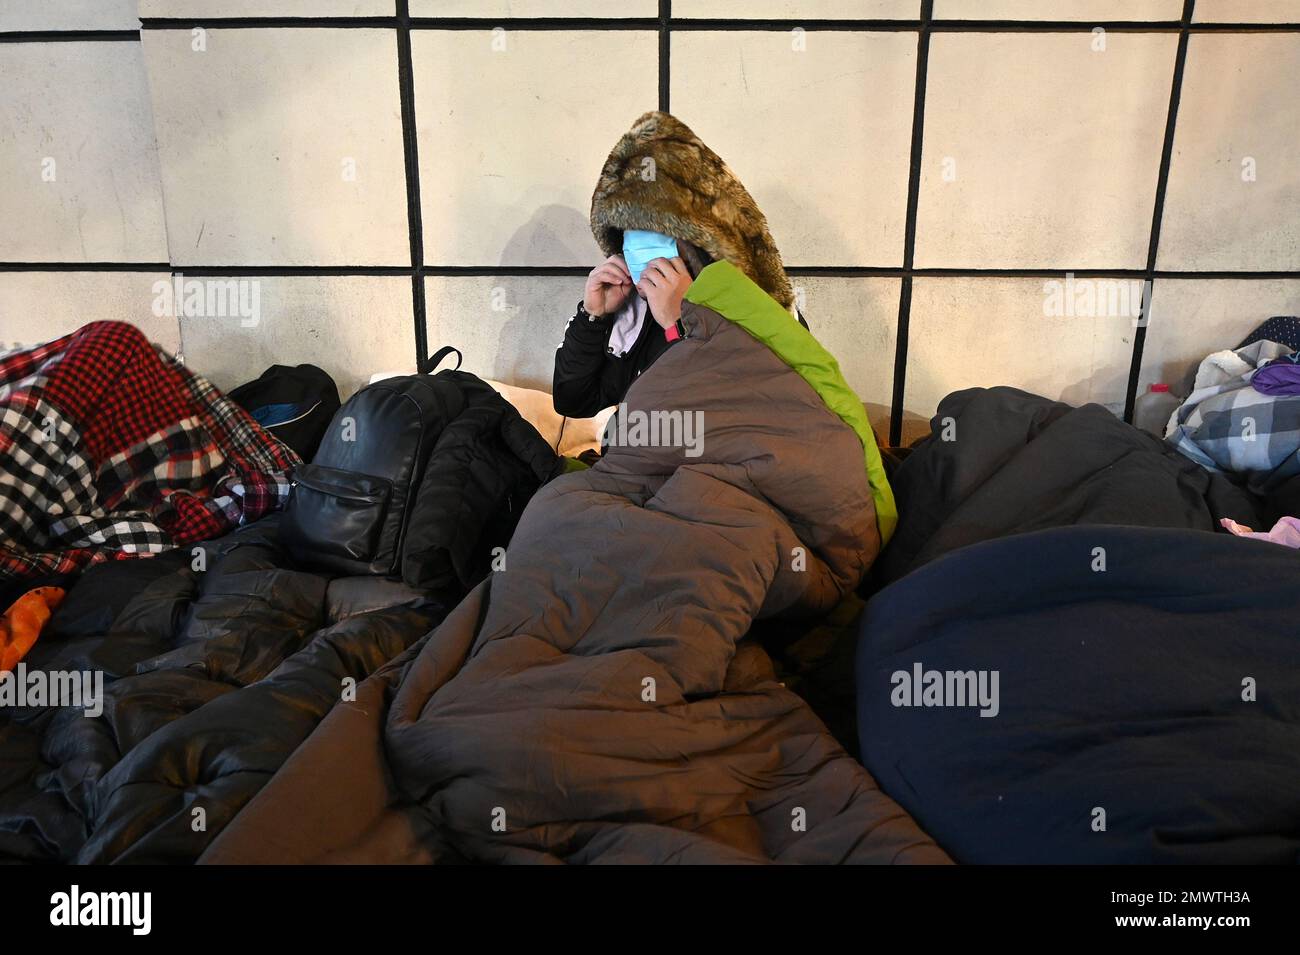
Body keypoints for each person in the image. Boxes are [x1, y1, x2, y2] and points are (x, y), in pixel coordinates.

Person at [552, 232, 711, 419]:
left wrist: (680, 325)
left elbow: (717, 412)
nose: (641, 240)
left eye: (657, 226)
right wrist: (592, 317)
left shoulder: (732, 303)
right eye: (629, 227)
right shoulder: (630, 307)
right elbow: (573, 403)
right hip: (629, 443)